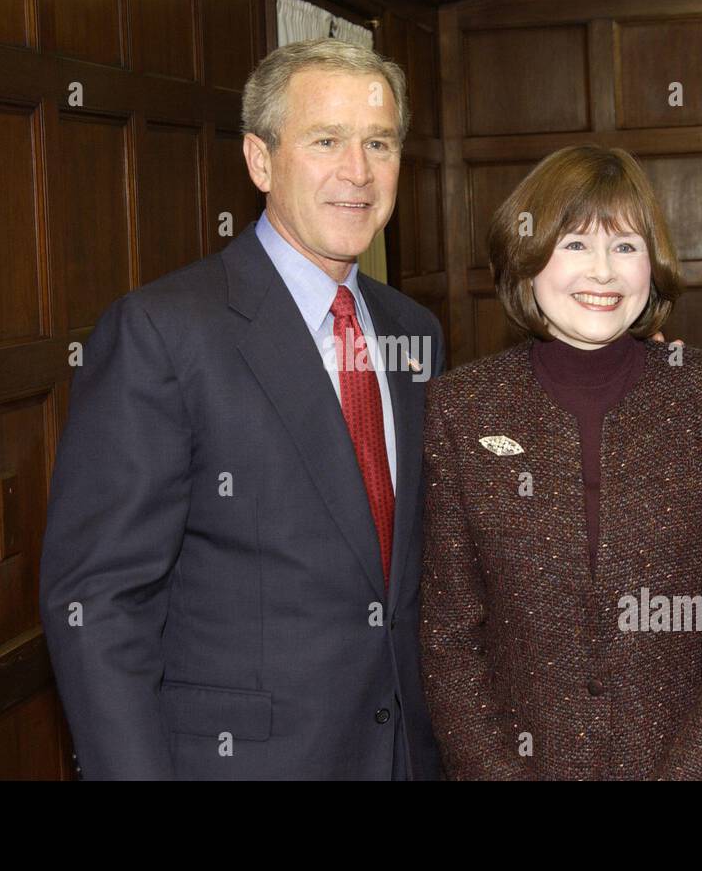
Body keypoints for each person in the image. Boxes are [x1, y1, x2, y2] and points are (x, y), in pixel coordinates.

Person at [39, 38, 445, 779]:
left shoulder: (415, 331)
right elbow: (100, 603)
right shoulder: (164, 331)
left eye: (378, 143)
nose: (358, 172)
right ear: (261, 161)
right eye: (326, 141)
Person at [419, 145, 702, 780]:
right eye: (573, 244)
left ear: (653, 265)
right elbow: (450, 631)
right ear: (527, 259)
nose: (602, 272)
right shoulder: (463, 409)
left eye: (625, 246)